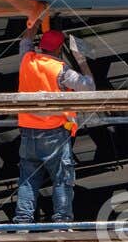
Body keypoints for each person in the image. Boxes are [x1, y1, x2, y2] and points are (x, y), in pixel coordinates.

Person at [14, 19, 96, 224]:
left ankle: (23, 222)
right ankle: (61, 221)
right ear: (60, 49)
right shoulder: (61, 70)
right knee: (62, 178)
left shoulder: (27, 59)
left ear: (41, 46)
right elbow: (89, 87)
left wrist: (34, 20)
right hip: (54, 133)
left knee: (28, 179)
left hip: (28, 132)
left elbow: (26, 39)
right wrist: (81, 60)